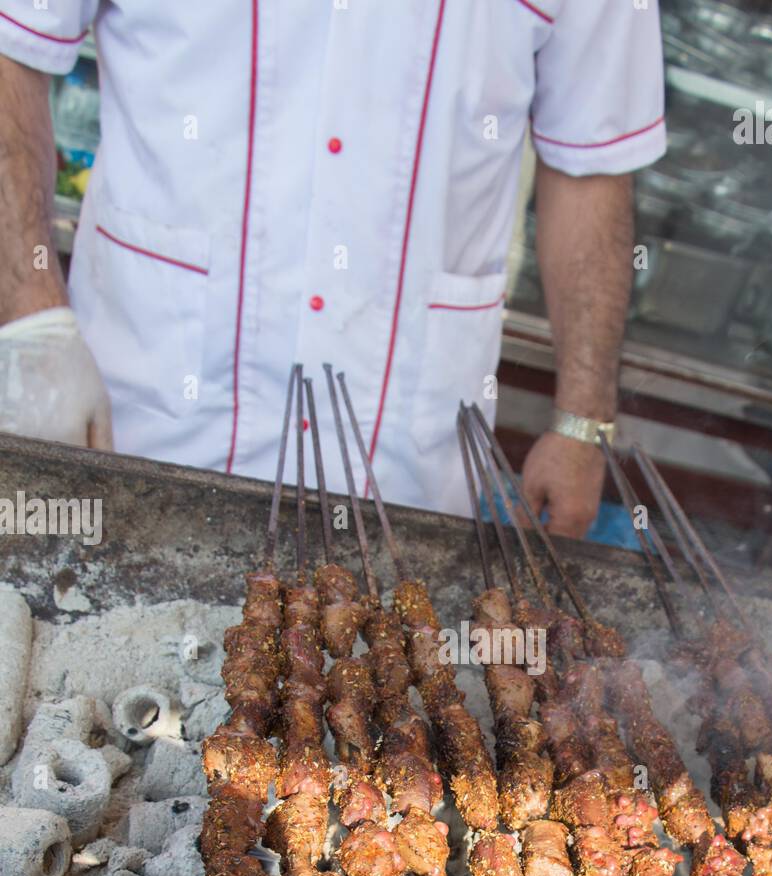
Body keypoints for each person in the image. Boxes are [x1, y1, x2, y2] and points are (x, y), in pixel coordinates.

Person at [0, 1, 664, 536]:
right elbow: (11, 48)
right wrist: (35, 320)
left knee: (383, 684)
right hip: (147, 414)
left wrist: (584, 419)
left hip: (403, 462)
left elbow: (592, 161)